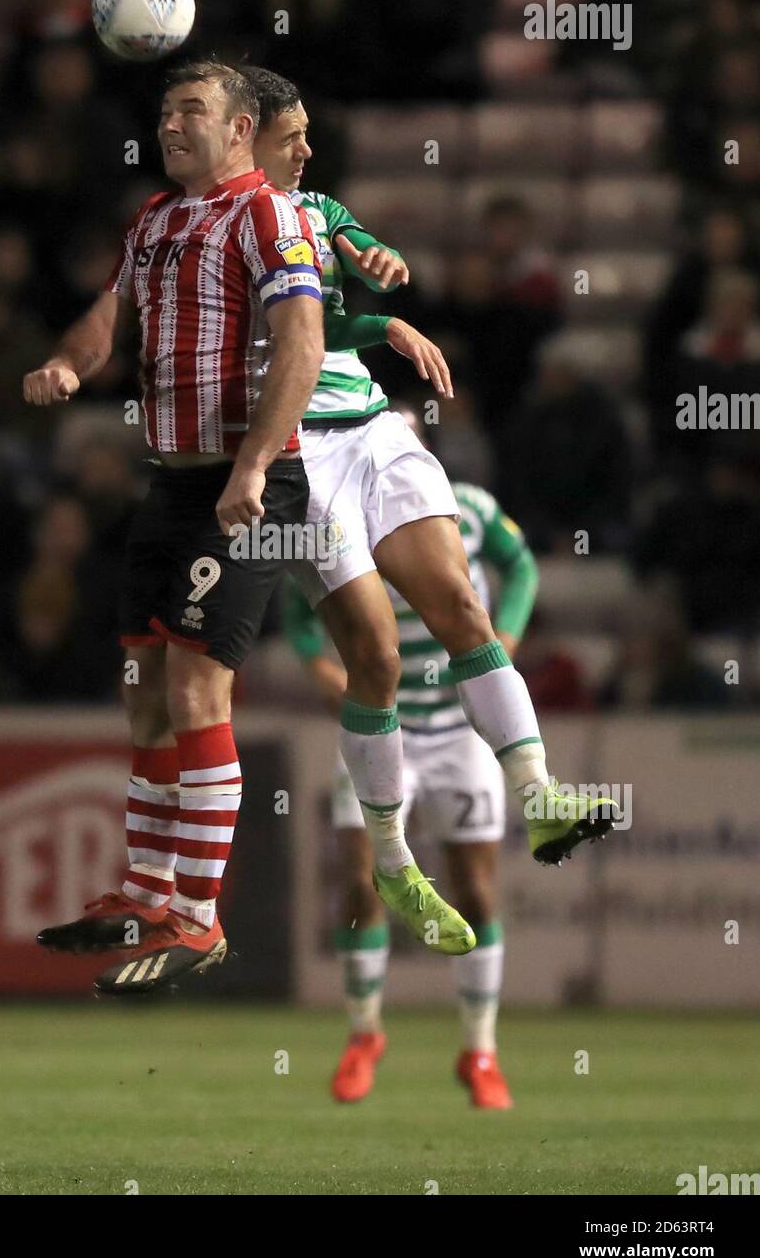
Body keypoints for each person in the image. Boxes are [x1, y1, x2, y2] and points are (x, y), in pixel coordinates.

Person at [242, 65, 618, 904]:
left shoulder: (317, 212)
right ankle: (389, 852)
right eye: (290, 135)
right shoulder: (219, 232)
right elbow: (281, 333)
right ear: (244, 137)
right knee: (374, 656)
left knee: (459, 605)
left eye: (308, 132)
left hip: (371, 423)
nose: (307, 149)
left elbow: (349, 284)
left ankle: (539, 795)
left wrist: (383, 286)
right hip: (298, 446)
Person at [23, 60, 325, 993]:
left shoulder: (268, 214)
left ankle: (197, 917)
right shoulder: (154, 219)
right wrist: (70, 364)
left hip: (253, 488)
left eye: (192, 110)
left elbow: (302, 344)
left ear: (240, 129)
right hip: (171, 489)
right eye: (163, 112)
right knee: (144, 692)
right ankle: (148, 889)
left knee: (197, 689)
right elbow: (103, 321)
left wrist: (250, 465)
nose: (171, 125)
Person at [285, 455, 538, 1108]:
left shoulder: (468, 507)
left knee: (476, 890)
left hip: (460, 732)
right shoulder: (338, 515)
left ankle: (479, 1052)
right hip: (382, 728)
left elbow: (521, 565)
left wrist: (505, 630)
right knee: (359, 883)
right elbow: (295, 588)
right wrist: (314, 659)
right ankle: (364, 1033)